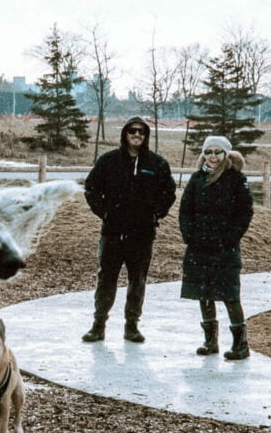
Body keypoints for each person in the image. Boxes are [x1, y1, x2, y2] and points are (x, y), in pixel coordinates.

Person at [80, 116, 176, 343]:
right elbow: (91, 188)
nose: (137, 135)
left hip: (142, 234)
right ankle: (98, 325)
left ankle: (132, 326)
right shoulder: (108, 161)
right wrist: (105, 212)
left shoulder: (157, 164)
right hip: (112, 232)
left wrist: (156, 213)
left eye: (141, 132)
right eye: (132, 131)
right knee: (106, 279)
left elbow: (169, 192)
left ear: (146, 136)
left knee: (137, 280)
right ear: (125, 133)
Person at [180, 135, 256, 360]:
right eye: (209, 152)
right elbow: (185, 210)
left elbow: (245, 213)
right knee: (204, 293)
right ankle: (210, 342)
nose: (213, 157)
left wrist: (229, 238)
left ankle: (241, 345)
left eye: (218, 152)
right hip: (199, 246)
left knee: (230, 295)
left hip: (224, 248)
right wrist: (190, 236)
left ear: (226, 154)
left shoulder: (236, 179)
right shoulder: (197, 179)